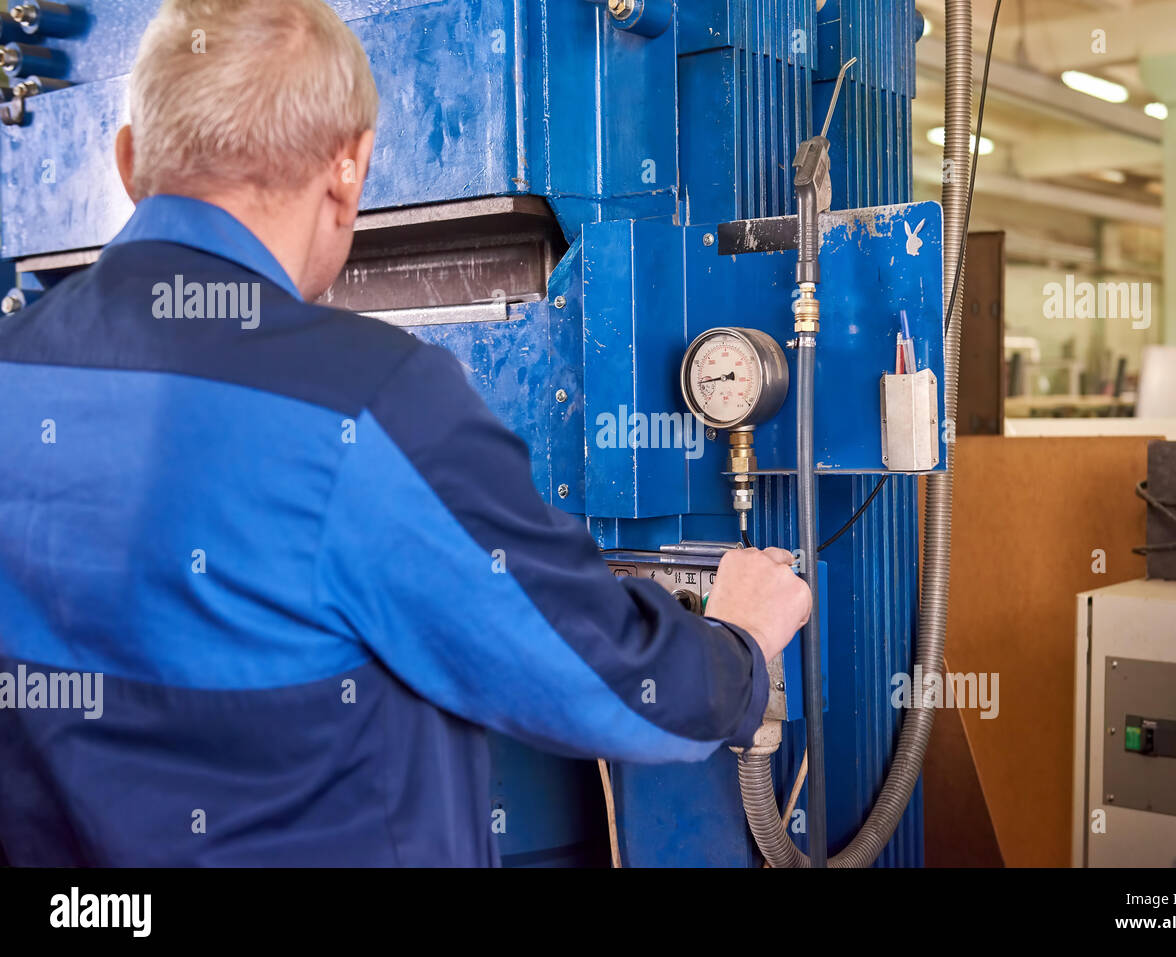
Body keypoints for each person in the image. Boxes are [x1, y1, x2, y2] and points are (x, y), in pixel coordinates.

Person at [0, 0, 810, 866]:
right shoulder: (374, 399)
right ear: (349, 171)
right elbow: (607, 682)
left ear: (127, 162)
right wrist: (739, 648)